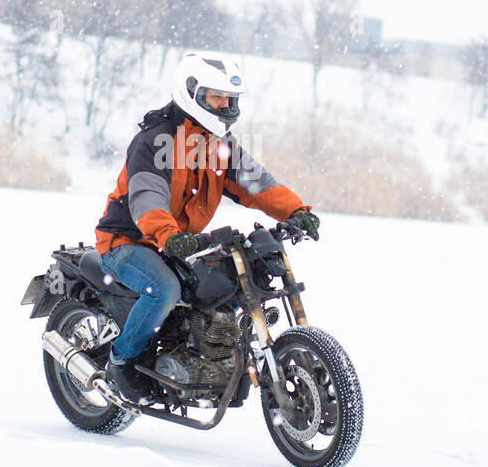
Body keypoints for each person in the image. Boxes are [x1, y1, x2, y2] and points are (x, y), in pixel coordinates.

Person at [94, 52, 321, 403]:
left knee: (229, 285)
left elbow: (256, 184)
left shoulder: (219, 145)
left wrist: (296, 211)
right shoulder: (155, 140)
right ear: (191, 93)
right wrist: (168, 236)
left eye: (229, 99)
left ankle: (213, 360)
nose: (225, 105)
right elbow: (147, 197)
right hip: (129, 241)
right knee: (164, 288)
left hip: (183, 242)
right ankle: (122, 361)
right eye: (217, 97)